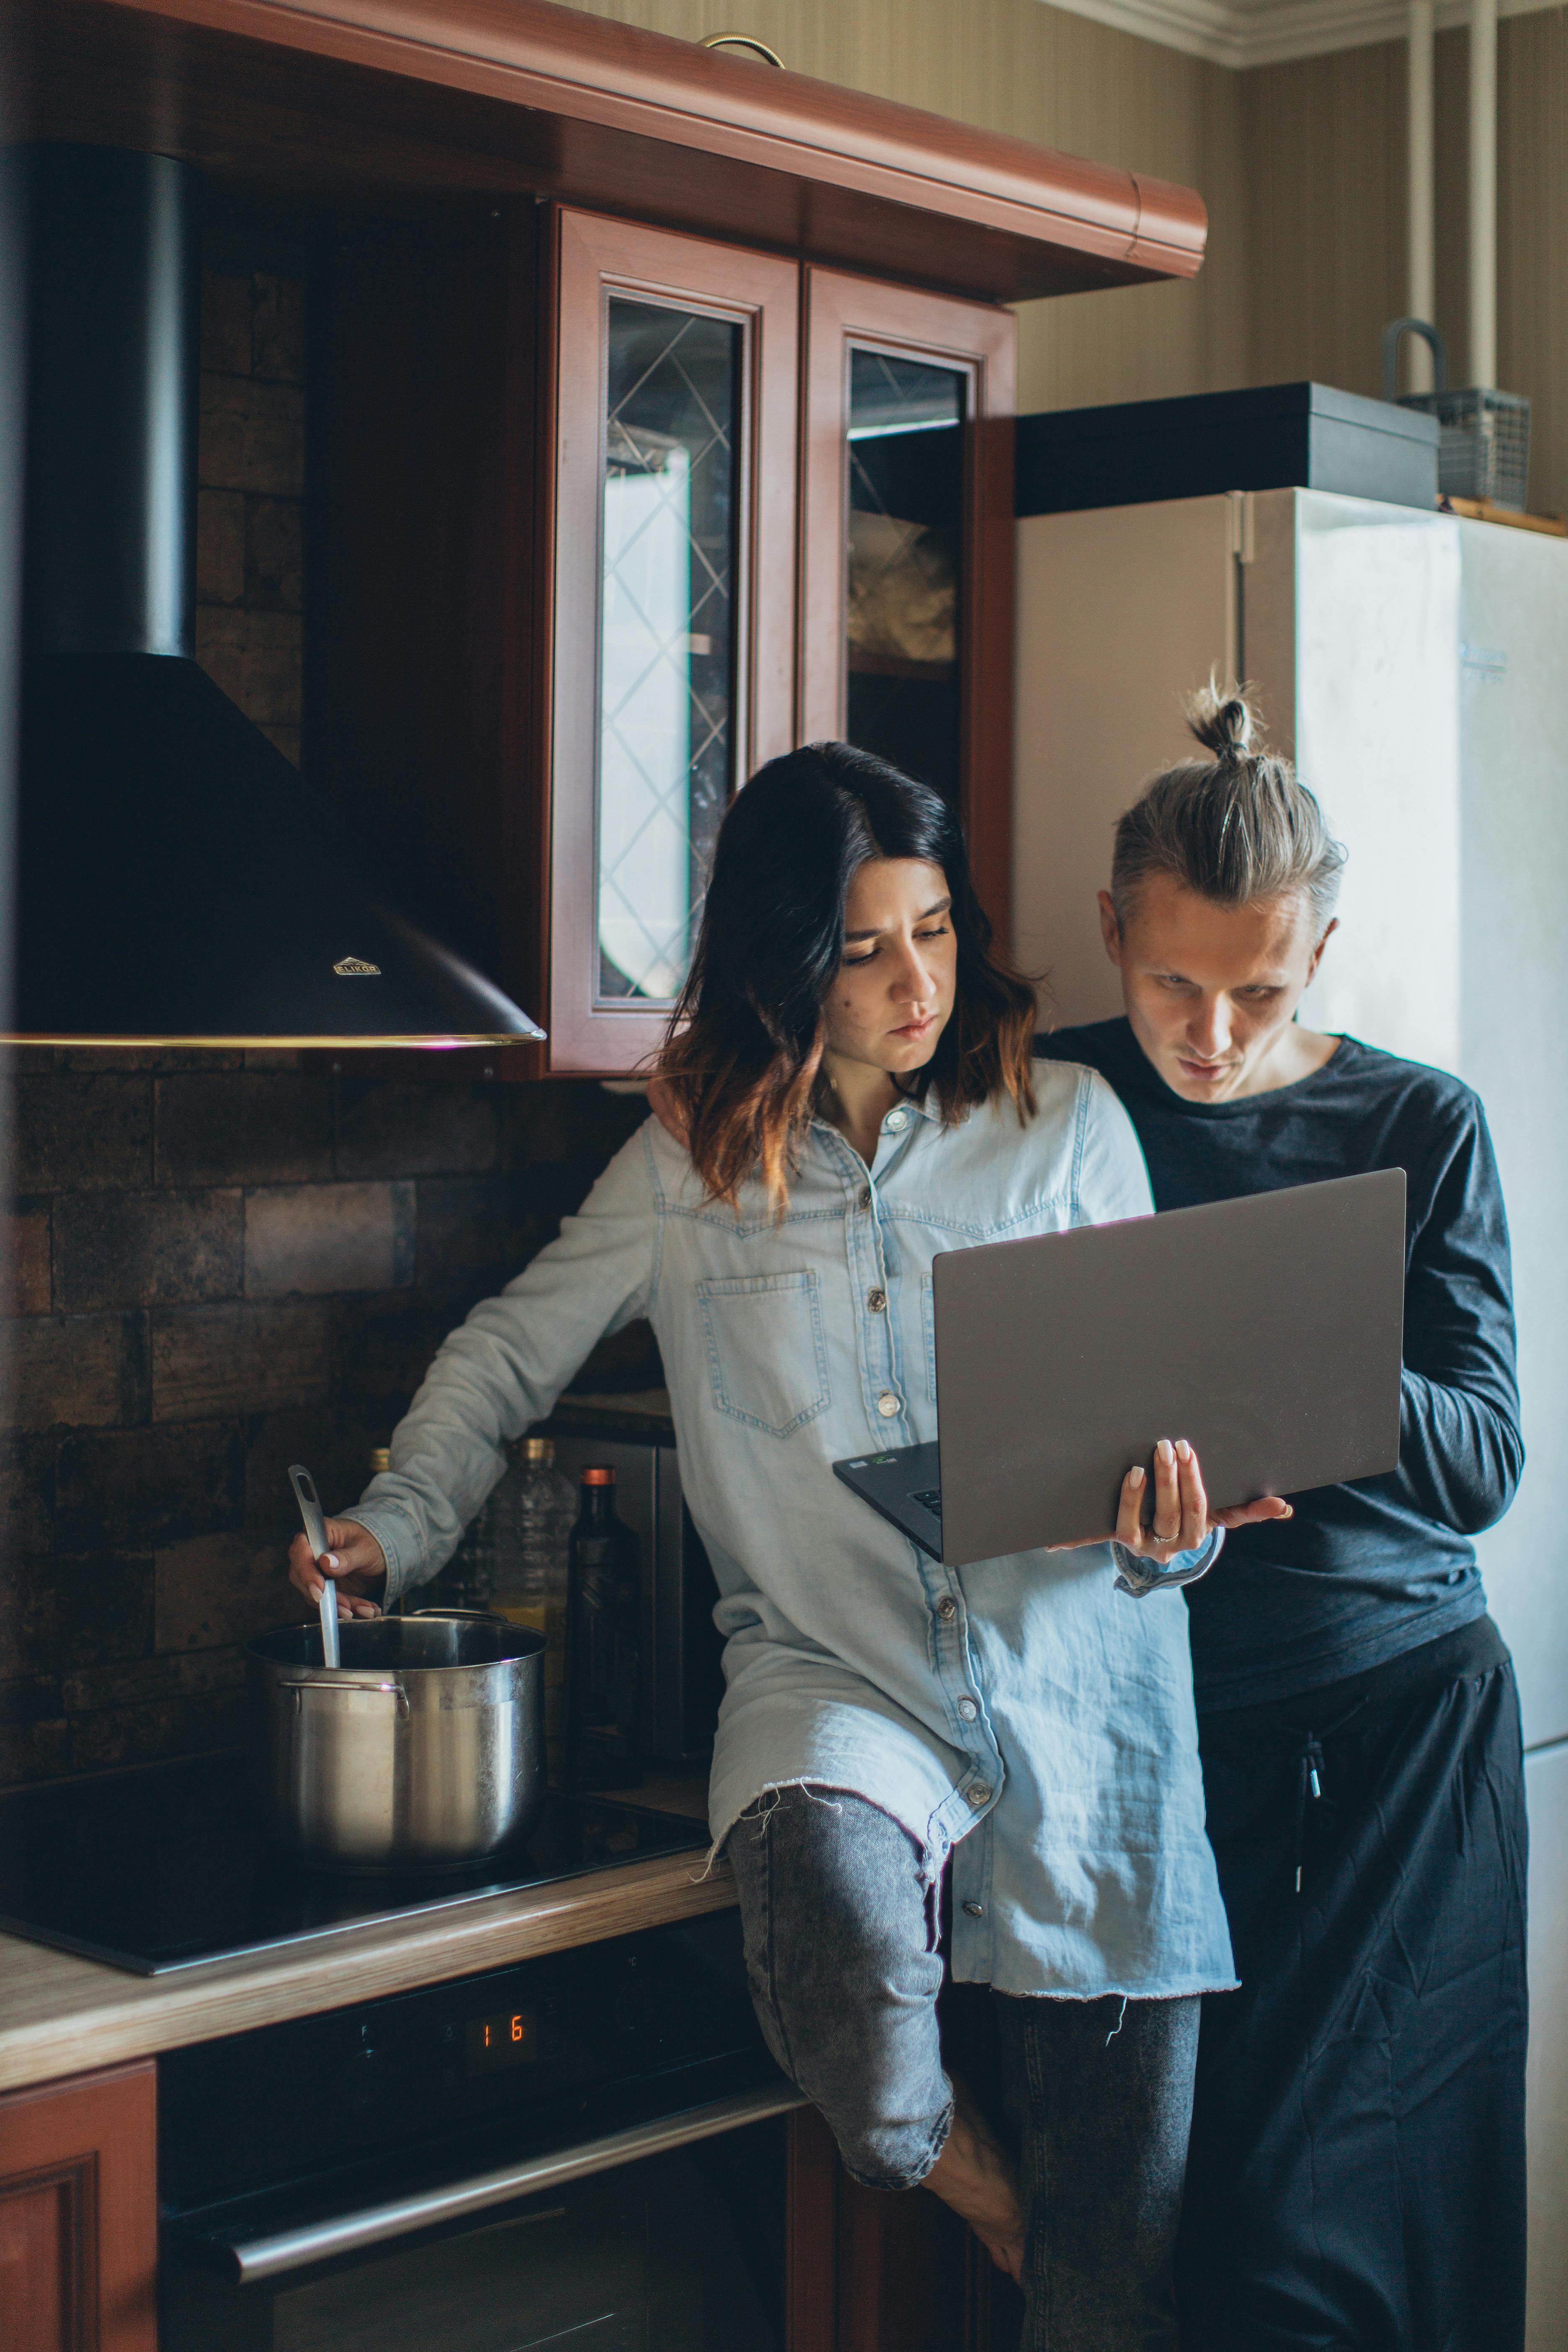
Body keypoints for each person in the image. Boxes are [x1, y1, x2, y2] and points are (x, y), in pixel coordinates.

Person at [287, 742, 1288, 2352]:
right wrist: (391, 1531)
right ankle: (992, 2203)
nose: (919, 981)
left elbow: (1159, 1458)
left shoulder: (1071, 1127)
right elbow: (507, 1353)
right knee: (861, 2033)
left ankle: (1076, 2269)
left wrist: (1175, 1536)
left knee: (1121, 2292)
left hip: (1088, 1711)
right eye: (869, 946)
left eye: (939, 930)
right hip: (833, 1684)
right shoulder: (686, 1168)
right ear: (786, 964)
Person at [1036, 690, 1527, 2352]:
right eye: (1173, 982)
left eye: (1261, 987)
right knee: (1180, 2247)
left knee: (1338, 2258)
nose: (1214, 1033)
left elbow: (1486, 1457)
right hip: (1150, 1753)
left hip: (1399, 1743)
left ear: (1321, 951)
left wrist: (1300, 1348)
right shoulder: (1044, 1107)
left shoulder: (1421, 1128)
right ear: (1112, 929)